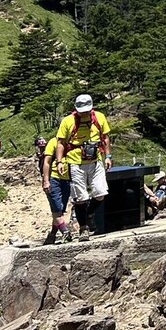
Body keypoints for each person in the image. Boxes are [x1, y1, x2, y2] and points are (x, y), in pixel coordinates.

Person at [49, 94, 112, 240]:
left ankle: (89, 213)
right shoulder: (68, 121)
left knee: (101, 193)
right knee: (80, 197)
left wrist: (108, 157)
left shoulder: (99, 118)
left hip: (95, 160)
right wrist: (59, 162)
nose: (84, 113)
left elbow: (105, 138)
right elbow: (61, 143)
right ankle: (83, 228)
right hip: (75, 163)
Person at [40, 134, 74, 244]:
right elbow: (47, 161)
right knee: (57, 209)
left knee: (60, 210)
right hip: (54, 178)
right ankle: (65, 233)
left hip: (67, 179)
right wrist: (46, 180)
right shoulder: (53, 142)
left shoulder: (74, 141)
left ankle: (52, 235)